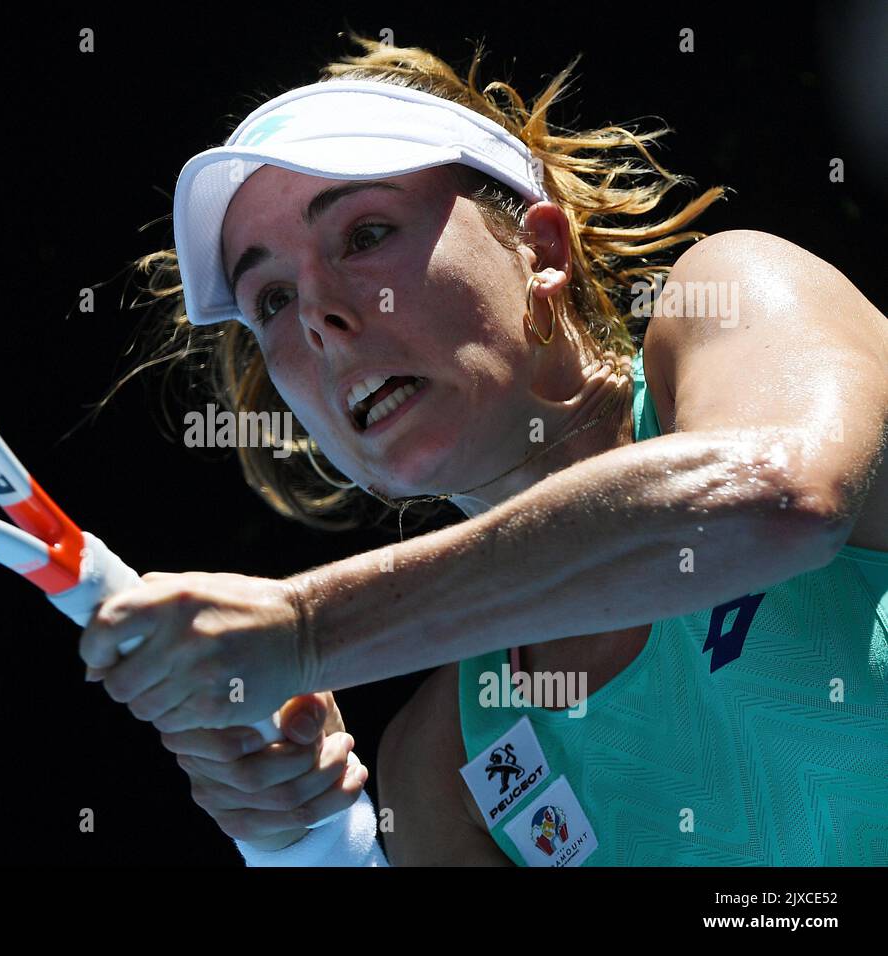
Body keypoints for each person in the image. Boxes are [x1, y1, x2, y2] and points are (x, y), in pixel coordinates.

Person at [79, 34, 888, 865]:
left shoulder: (737, 294)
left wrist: (308, 628)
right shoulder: (441, 770)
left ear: (540, 249)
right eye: (273, 298)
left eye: (365, 235)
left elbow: (781, 497)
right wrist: (303, 842)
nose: (318, 314)